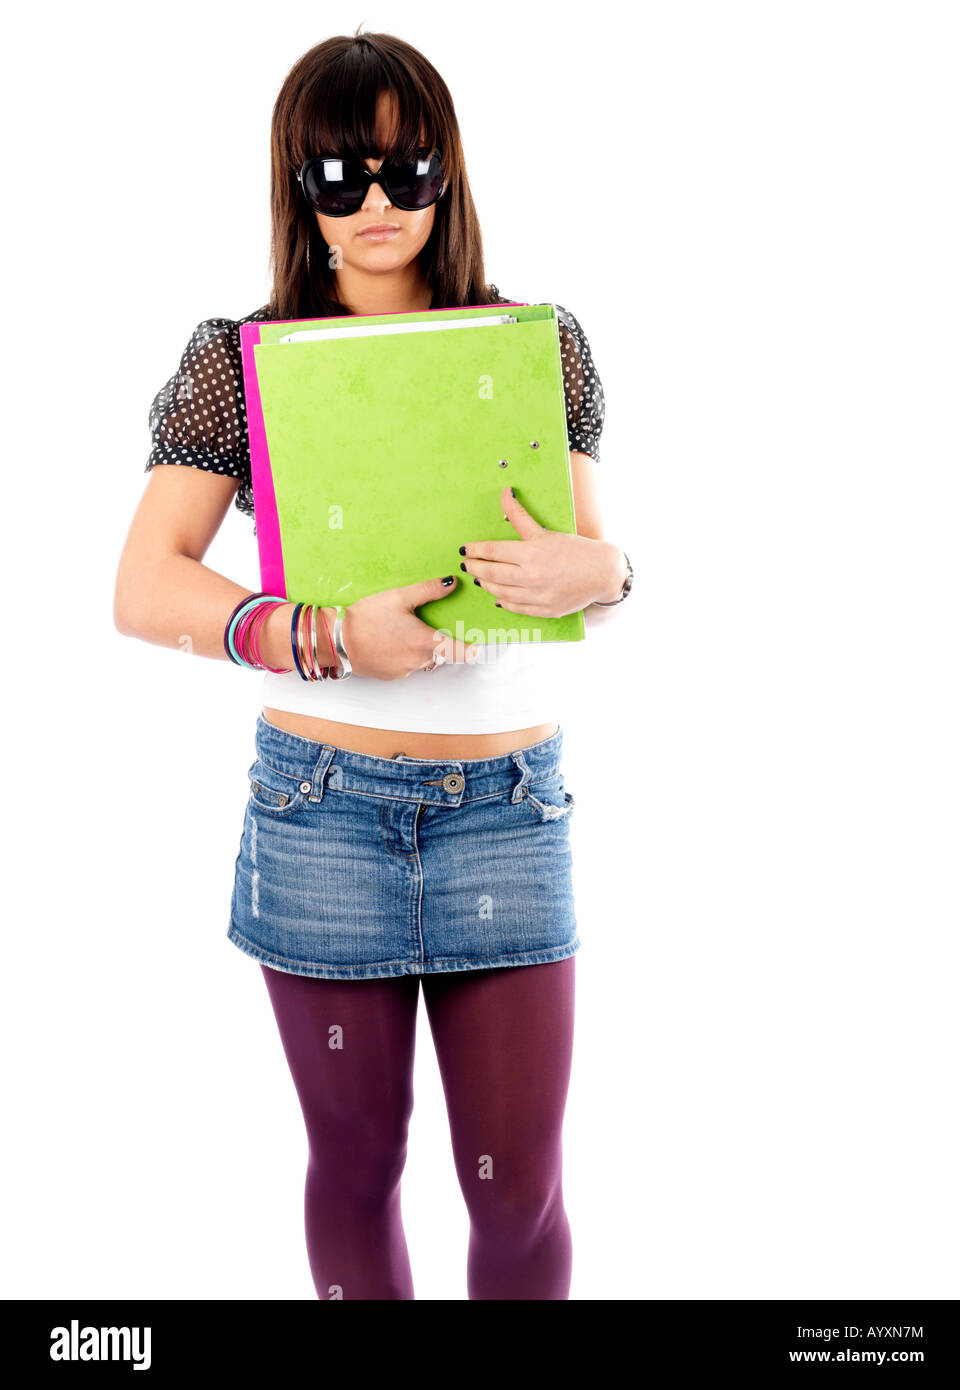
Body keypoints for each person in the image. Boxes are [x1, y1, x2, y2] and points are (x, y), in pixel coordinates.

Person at [114, 29, 633, 1301]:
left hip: (507, 810)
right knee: (354, 1162)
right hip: (322, 808)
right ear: (298, 187)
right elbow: (144, 587)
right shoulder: (240, 361)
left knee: (517, 1184)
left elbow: (592, 568)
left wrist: (608, 576)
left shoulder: (533, 342)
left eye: (405, 171)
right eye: (338, 176)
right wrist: (325, 636)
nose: (377, 204)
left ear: (446, 176)